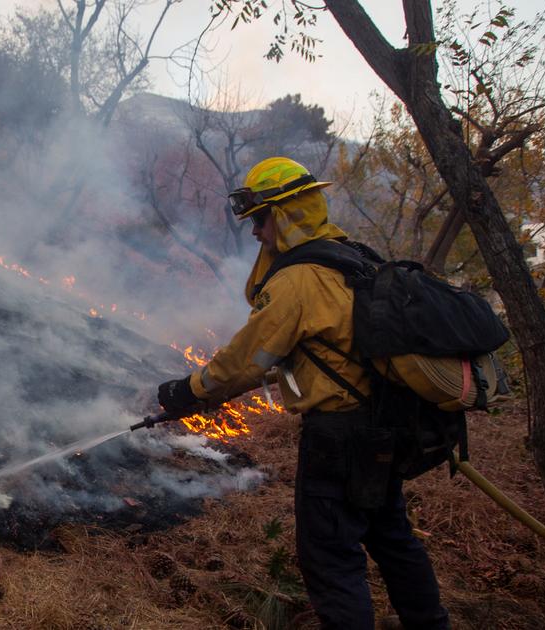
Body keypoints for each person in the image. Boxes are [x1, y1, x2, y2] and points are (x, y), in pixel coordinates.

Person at [155, 157, 450, 629]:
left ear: (287, 213)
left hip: (339, 437)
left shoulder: (298, 279)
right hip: (387, 427)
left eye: (260, 218)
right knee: (393, 537)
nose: (255, 233)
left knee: (331, 559)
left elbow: (245, 360)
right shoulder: (355, 258)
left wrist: (187, 391)